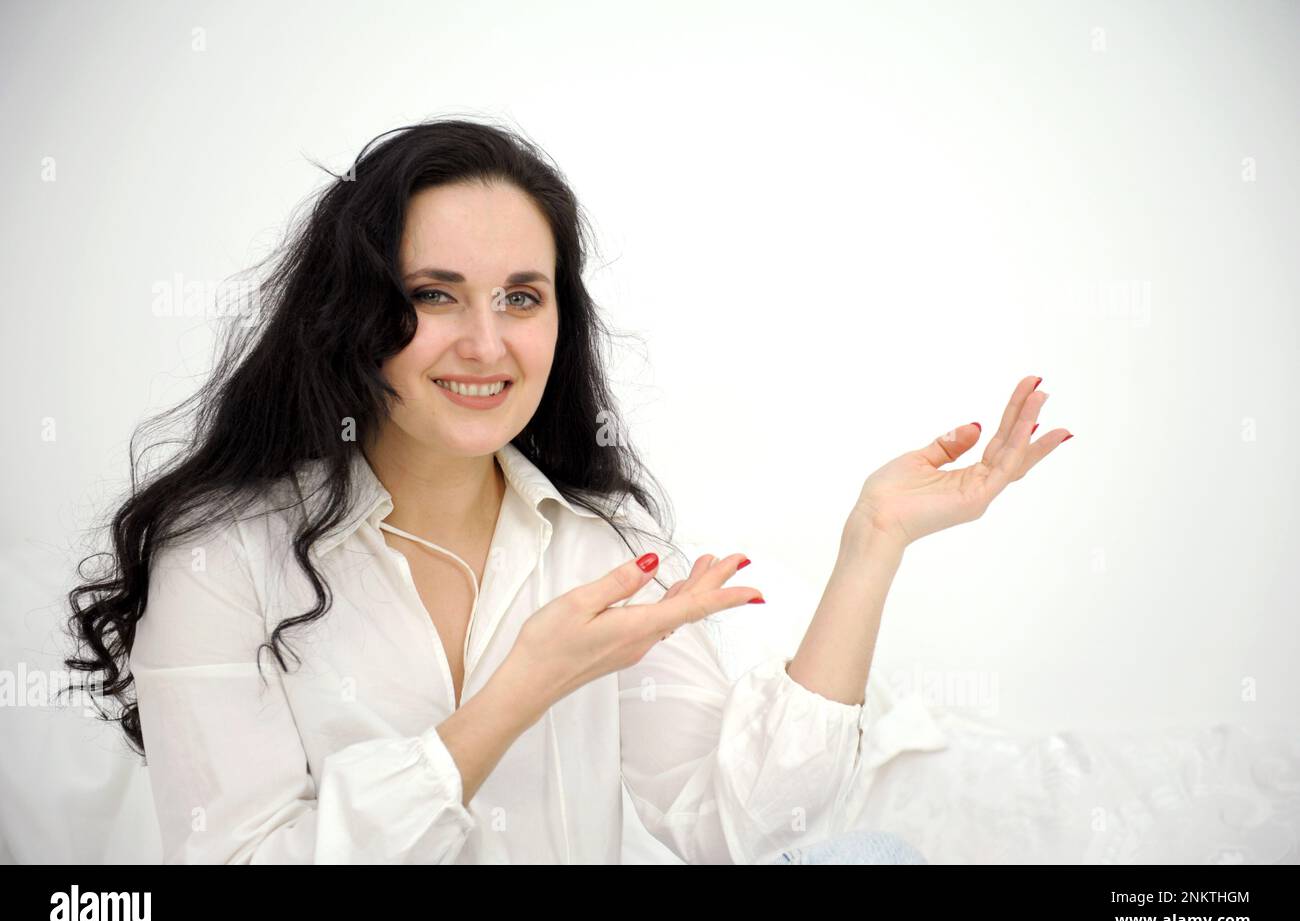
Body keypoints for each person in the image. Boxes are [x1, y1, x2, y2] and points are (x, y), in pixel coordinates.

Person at [64, 118, 1070, 864]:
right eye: (434, 295)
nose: (487, 343)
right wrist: (517, 693)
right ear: (351, 313)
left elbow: (746, 822)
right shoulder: (220, 560)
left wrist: (874, 540)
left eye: (521, 298)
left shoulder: (600, 546)